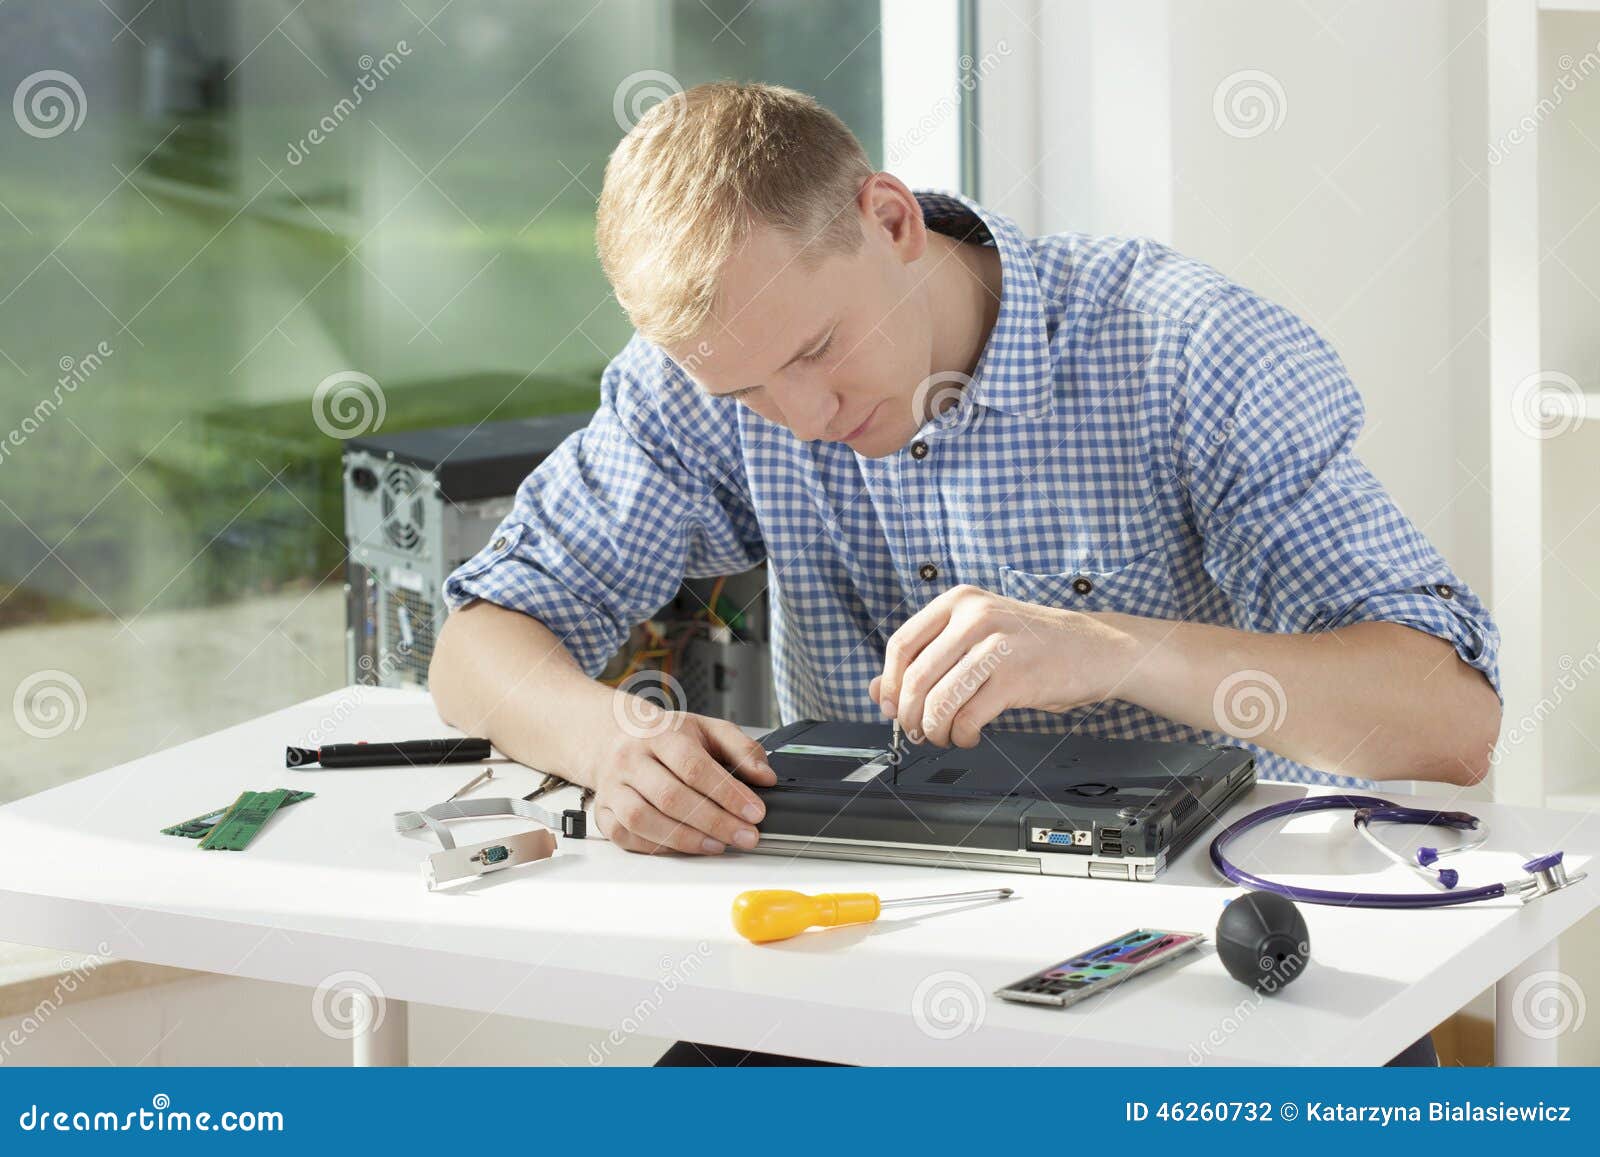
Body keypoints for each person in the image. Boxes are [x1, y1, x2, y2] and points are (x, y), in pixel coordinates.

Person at [428, 83, 1501, 1068]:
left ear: (890, 220)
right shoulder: (703, 383)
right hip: (866, 960)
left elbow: (1447, 723)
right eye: (749, 391)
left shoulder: (1187, 351)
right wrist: (611, 742)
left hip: (1191, 968)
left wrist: (1115, 651)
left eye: (815, 351)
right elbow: (479, 643)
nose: (803, 419)